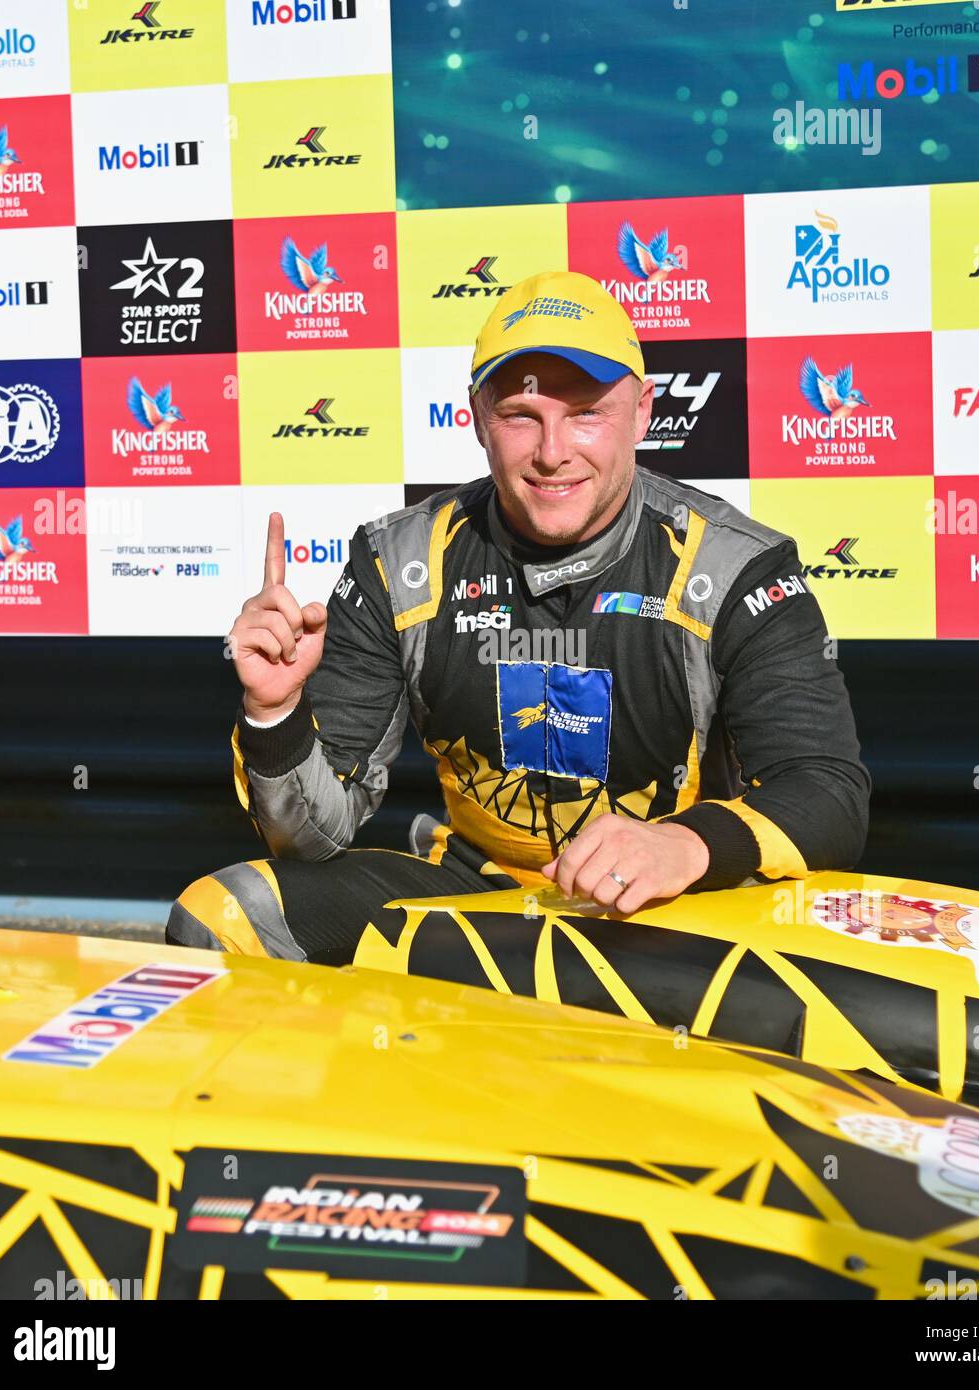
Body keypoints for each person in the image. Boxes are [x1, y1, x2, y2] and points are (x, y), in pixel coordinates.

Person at [166, 270, 870, 963]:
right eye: (521, 416)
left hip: (671, 914)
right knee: (221, 916)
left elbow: (828, 793)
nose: (553, 451)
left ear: (645, 411)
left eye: (587, 412)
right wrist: (275, 712)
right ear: (477, 417)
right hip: (479, 899)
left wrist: (685, 845)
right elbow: (312, 839)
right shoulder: (400, 560)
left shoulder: (734, 567)